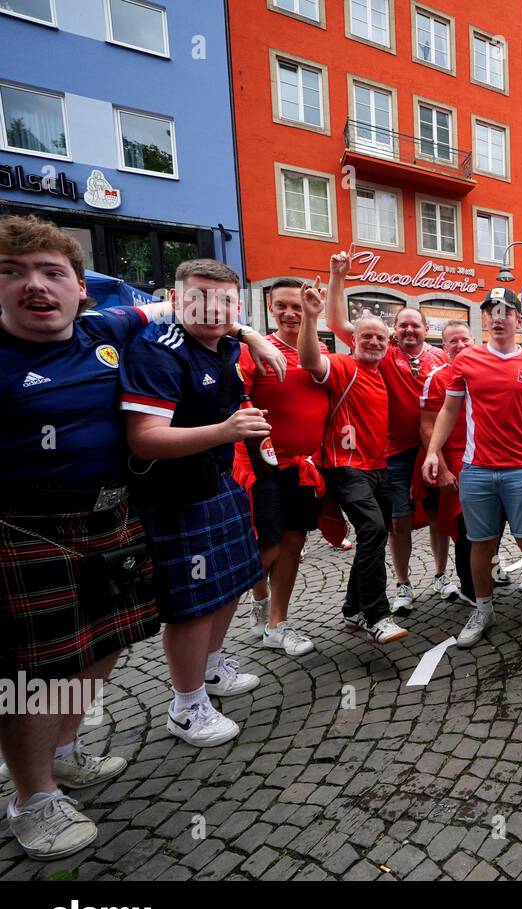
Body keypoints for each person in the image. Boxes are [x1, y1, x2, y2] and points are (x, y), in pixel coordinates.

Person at [0, 216, 168, 858]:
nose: (35, 287)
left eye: (52, 273)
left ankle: (63, 752)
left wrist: (251, 337)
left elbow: (173, 303)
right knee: (36, 674)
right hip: (23, 532)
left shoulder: (107, 328)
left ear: (79, 289)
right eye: (12, 273)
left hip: (109, 517)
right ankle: (32, 798)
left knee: (104, 642)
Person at [120, 259, 272, 748]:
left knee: (234, 582)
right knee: (193, 603)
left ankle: (210, 668)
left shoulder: (225, 341)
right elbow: (145, 440)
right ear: (174, 297)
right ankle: (186, 707)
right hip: (176, 494)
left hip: (217, 481)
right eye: (201, 296)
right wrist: (226, 432)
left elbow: (229, 324)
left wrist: (251, 335)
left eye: (225, 299)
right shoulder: (157, 350)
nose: (213, 308)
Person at [423, 286, 522, 647]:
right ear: (485, 319)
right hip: (477, 469)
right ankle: (483, 608)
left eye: (506, 311)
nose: (498, 317)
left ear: (518, 319)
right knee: (479, 544)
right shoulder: (466, 361)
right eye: (492, 311)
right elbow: (449, 410)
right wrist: (433, 451)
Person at [323, 253, 448, 617]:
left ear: (427, 330)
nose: (410, 330)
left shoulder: (439, 360)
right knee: (398, 520)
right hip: (392, 452)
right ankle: (404, 583)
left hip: (431, 448)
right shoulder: (384, 350)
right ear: (396, 330)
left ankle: (441, 575)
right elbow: (334, 321)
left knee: (438, 516)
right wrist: (337, 278)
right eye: (404, 325)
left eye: (416, 326)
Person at [299, 282, 409, 645]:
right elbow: (310, 361)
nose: (374, 343)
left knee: (374, 534)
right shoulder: (344, 366)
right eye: (368, 337)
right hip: (345, 467)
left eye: (381, 338)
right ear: (354, 338)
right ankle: (377, 615)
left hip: (378, 467)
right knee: (374, 529)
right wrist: (311, 317)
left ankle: (352, 608)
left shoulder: (384, 372)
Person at [241, 279, 330, 658]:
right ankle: (257, 599)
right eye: (283, 306)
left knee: (293, 541)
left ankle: (277, 623)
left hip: (306, 467)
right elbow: (238, 400)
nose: (291, 313)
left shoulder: (319, 350)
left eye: (298, 305)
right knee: (267, 545)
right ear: (270, 307)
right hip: (266, 465)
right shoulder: (255, 350)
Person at [419, 321, 476, 607]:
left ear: (474, 341)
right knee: (463, 525)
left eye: (464, 340)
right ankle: (470, 587)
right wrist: (442, 468)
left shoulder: (484, 371)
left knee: (488, 523)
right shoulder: (437, 377)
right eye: (453, 341)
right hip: (454, 459)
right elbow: (428, 426)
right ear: (444, 347)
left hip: (485, 458)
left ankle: (484, 575)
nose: (460, 345)